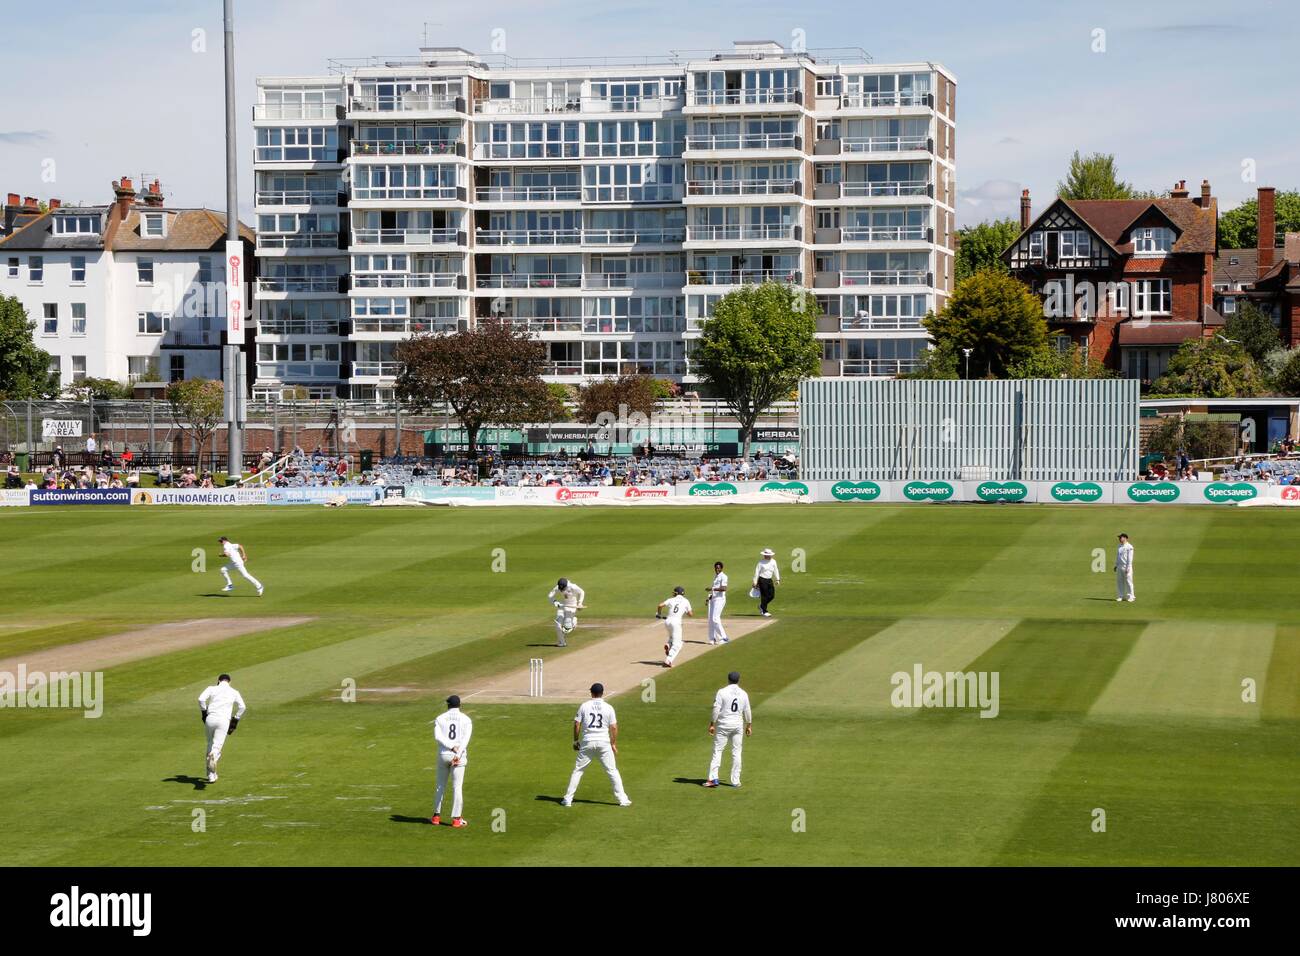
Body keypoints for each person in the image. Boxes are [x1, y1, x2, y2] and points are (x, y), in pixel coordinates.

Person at [561, 683, 631, 808]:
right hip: (604, 743)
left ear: (591, 693)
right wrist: (613, 743)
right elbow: (614, 727)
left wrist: (575, 741)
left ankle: (568, 799)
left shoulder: (584, 706)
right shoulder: (609, 707)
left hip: (587, 742)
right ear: (602, 693)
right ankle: (623, 799)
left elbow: (577, 724)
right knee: (612, 771)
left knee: (578, 771)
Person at [704, 671, 753, 789]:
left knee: (718, 750)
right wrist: (749, 725)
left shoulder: (722, 692)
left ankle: (713, 779)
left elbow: (716, 709)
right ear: (738, 680)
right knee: (737, 752)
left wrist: (712, 724)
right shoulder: (743, 693)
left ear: (728, 679)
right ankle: (736, 781)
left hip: (723, 725)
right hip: (737, 725)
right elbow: (747, 710)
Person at [431, 695, 473, 828]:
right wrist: (458, 753)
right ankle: (456, 819)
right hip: (458, 757)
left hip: (444, 754)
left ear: (448, 705)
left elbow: (438, 736)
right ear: (459, 705)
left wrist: (450, 747)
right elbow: (466, 740)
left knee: (440, 786)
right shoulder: (466, 719)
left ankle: (436, 817)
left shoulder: (440, 718)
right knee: (457, 787)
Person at [197, 674, 247, 784]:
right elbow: (242, 707)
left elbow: (201, 699)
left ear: (219, 681)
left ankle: (211, 775)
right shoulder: (234, 692)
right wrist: (235, 720)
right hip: (224, 720)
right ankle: (214, 756)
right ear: (229, 682)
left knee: (210, 743)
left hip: (210, 719)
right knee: (217, 746)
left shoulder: (211, 688)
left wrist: (204, 712)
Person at [657, 585, 694, 668]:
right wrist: (686, 611)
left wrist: (659, 614)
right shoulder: (686, 601)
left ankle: (669, 644)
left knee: (672, 637)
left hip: (667, 621)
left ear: (676, 593)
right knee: (678, 644)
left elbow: (660, 605)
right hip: (676, 622)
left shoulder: (671, 599)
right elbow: (690, 614)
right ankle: (668, 660)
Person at [547, 577, 586, 647]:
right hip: (562, 606)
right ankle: (562, 642)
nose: (562, 590)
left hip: (572, 606)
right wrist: (555, 602)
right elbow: (550, 595)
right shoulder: (558, 587)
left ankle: (574, 621)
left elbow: (582, 592)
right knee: (558, 624)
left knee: (567, 629)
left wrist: (580, 603)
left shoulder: (573, 586)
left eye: (563, 589)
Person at [705, 561, 729, 645]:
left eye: (718, 568)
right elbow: (715, 588)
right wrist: (710, 598)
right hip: (714, 599)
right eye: (716, 568)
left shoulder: (724, 576)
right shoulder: (716, 576)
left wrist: (712, 589)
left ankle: (724, 638)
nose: (717, 569)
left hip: (720, 599)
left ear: (721, 568)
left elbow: (724, 588)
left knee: (715, 618)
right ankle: (712, 638)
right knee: (710, 619)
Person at [753, 548, 780, 617]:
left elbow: (776, 570)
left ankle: (761, 605)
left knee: (772, 595)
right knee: (764, 596)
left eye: (768, 555)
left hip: (769, 580)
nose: (766, 556)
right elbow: (757, 572)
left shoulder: (773, 561)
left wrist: (777, 579)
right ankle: (764, 611)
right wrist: (755, 582)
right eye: (765, 555)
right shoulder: (760, 562)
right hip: (762, 580)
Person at [1115, 533, 1135, 603]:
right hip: (1119, 566)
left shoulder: (1129, 547)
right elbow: (1118, 556)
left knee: (1128, 582)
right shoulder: (1119, 546)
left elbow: (1130, 558)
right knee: (1119, 582)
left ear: (1125, 538)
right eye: (1119, 538)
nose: (1120, 539)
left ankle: (1131, 597)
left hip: (1126, 566)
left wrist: (1128, 568)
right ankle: (1120, 596)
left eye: (1121, 537)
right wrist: (1116, 565)